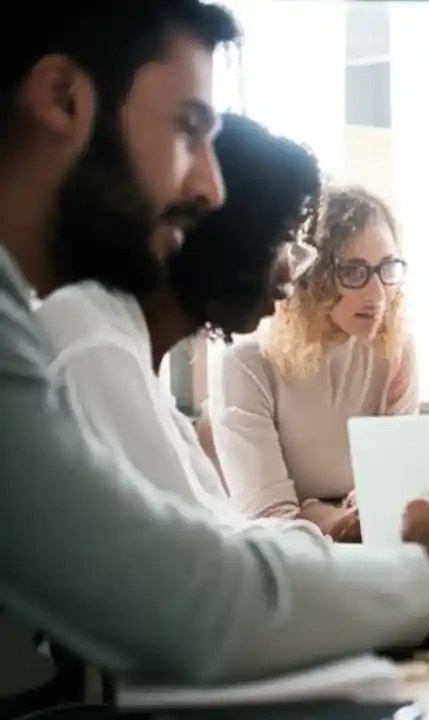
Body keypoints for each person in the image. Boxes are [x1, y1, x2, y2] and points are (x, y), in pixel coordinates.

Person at [0, 2, 429, 706]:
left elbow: (210, 547)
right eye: (187, 128)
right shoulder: (84, 338)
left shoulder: (84, 332)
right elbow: (183, 596)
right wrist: (424, 572)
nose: (210, 189)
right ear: (63, 99)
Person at [35, 113, 321, 530]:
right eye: (283, 240)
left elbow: (219, 532)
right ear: (230, 231)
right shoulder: (96, 351)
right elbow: (200, 554)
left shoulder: (137, 363)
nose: (290, 271)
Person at [214, 186, 417, 541]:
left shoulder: (395, 351)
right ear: (312, 276)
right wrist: (341, 519)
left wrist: (316, 511)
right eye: (353, 271)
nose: (377, 295)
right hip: (283, 556)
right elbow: (268, 519)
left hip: (367, 545)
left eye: (387, 267)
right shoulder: (246, 363)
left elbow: (394, 492)